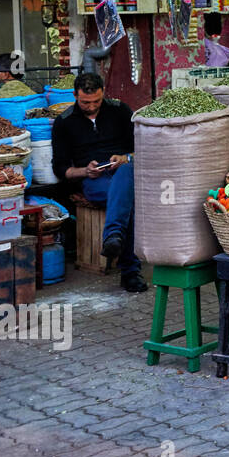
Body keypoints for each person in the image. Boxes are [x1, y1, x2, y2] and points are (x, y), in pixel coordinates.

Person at [51, 72, 145, 292]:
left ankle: (113, 236)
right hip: (93, 180)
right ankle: (130, 271)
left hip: (124, 172)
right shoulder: (64, 122)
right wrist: (85, 170)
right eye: (85, 102)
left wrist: (125, 158)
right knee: (124, 198)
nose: (91, 107)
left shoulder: (120, 111)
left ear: (104, 94)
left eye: (96, 101)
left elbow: (142, 146)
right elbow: (61, 169)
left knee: (126, 175)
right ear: (74, 95)